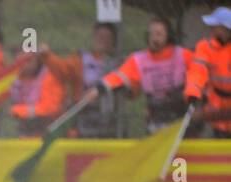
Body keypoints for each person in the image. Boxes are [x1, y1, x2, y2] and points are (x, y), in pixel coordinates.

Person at [86, 16, 192, 133]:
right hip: (156, 119)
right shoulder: (140, 59)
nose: (154, 38)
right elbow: (120, 76)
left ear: (168, 36)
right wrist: (99, 88)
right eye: (151, 34)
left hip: (183, 116)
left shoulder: (182, 55)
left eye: (159, 34)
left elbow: (199, 74)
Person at [40, 22, 123, 137]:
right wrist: (47, 56)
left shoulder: (118, 64)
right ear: (93, 38)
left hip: (109, 120)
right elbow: (63, 69)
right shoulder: (80, 60)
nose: (102, 40)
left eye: (107, 37)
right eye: (99, 36)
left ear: (113, 42)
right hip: (83, 117)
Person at [186, 6, 231, 138]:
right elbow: (197, 70)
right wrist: (193, 93)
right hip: (217, 105)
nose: (211, 29)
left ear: (226, 29)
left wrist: (204, 114)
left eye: (215, 26)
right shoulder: (205, 47)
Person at [11, 55, 68, 136]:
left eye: (29, 60)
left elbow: (49, 109)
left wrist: (17, 111)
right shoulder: (14, 80)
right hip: (24, 131)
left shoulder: (49, 77)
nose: (25, 64)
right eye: (21, 61)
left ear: (37, 61)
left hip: (49, 129)